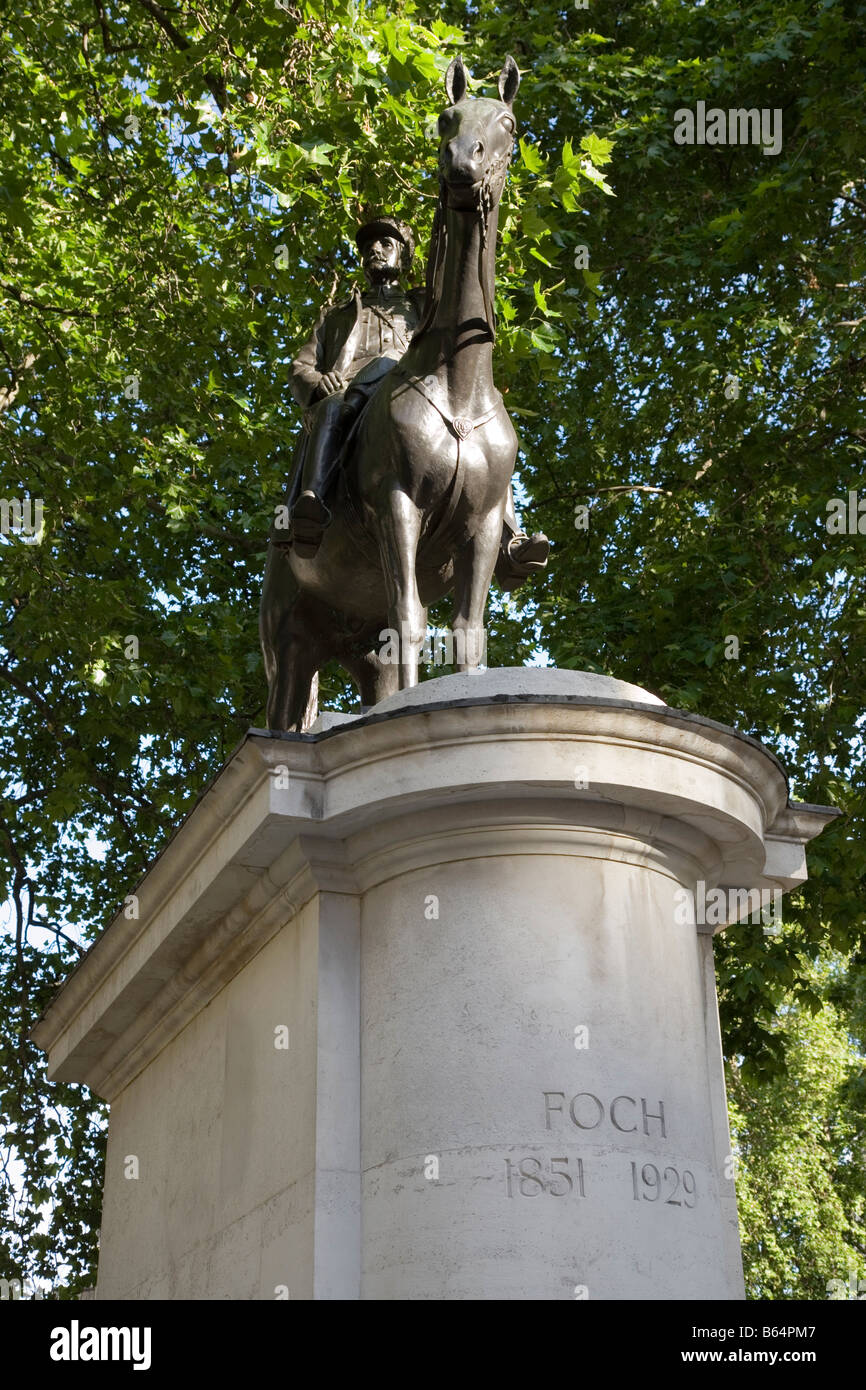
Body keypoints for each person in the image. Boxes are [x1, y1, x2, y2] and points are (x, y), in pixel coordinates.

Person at [282, 214, 549, 585]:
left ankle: (508, 537)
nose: (375, 250)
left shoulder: (424, 305)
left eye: (386, 244)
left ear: (404, 257)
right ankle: (314, 505)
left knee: (483, 428)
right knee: (330, 407)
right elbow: (300, 366)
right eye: (369, 246)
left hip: (418, 394)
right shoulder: (337, 315)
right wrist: (316, 382)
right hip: (353, 390)